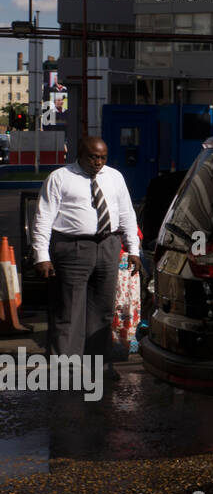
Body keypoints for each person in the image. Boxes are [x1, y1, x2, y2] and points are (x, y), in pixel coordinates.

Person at [31, 137, 142, 379]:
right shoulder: (60, 178)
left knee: (102, 311)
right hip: (72, 248)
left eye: (102, 157)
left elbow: (127, 214)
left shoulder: (114, 177)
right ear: (81, 154)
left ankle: (98, 368)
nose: (98, 162)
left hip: (108, 247)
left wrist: (133, 250)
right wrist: (41, 255)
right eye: (93, 157)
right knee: (69, 311)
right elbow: (43, 218)